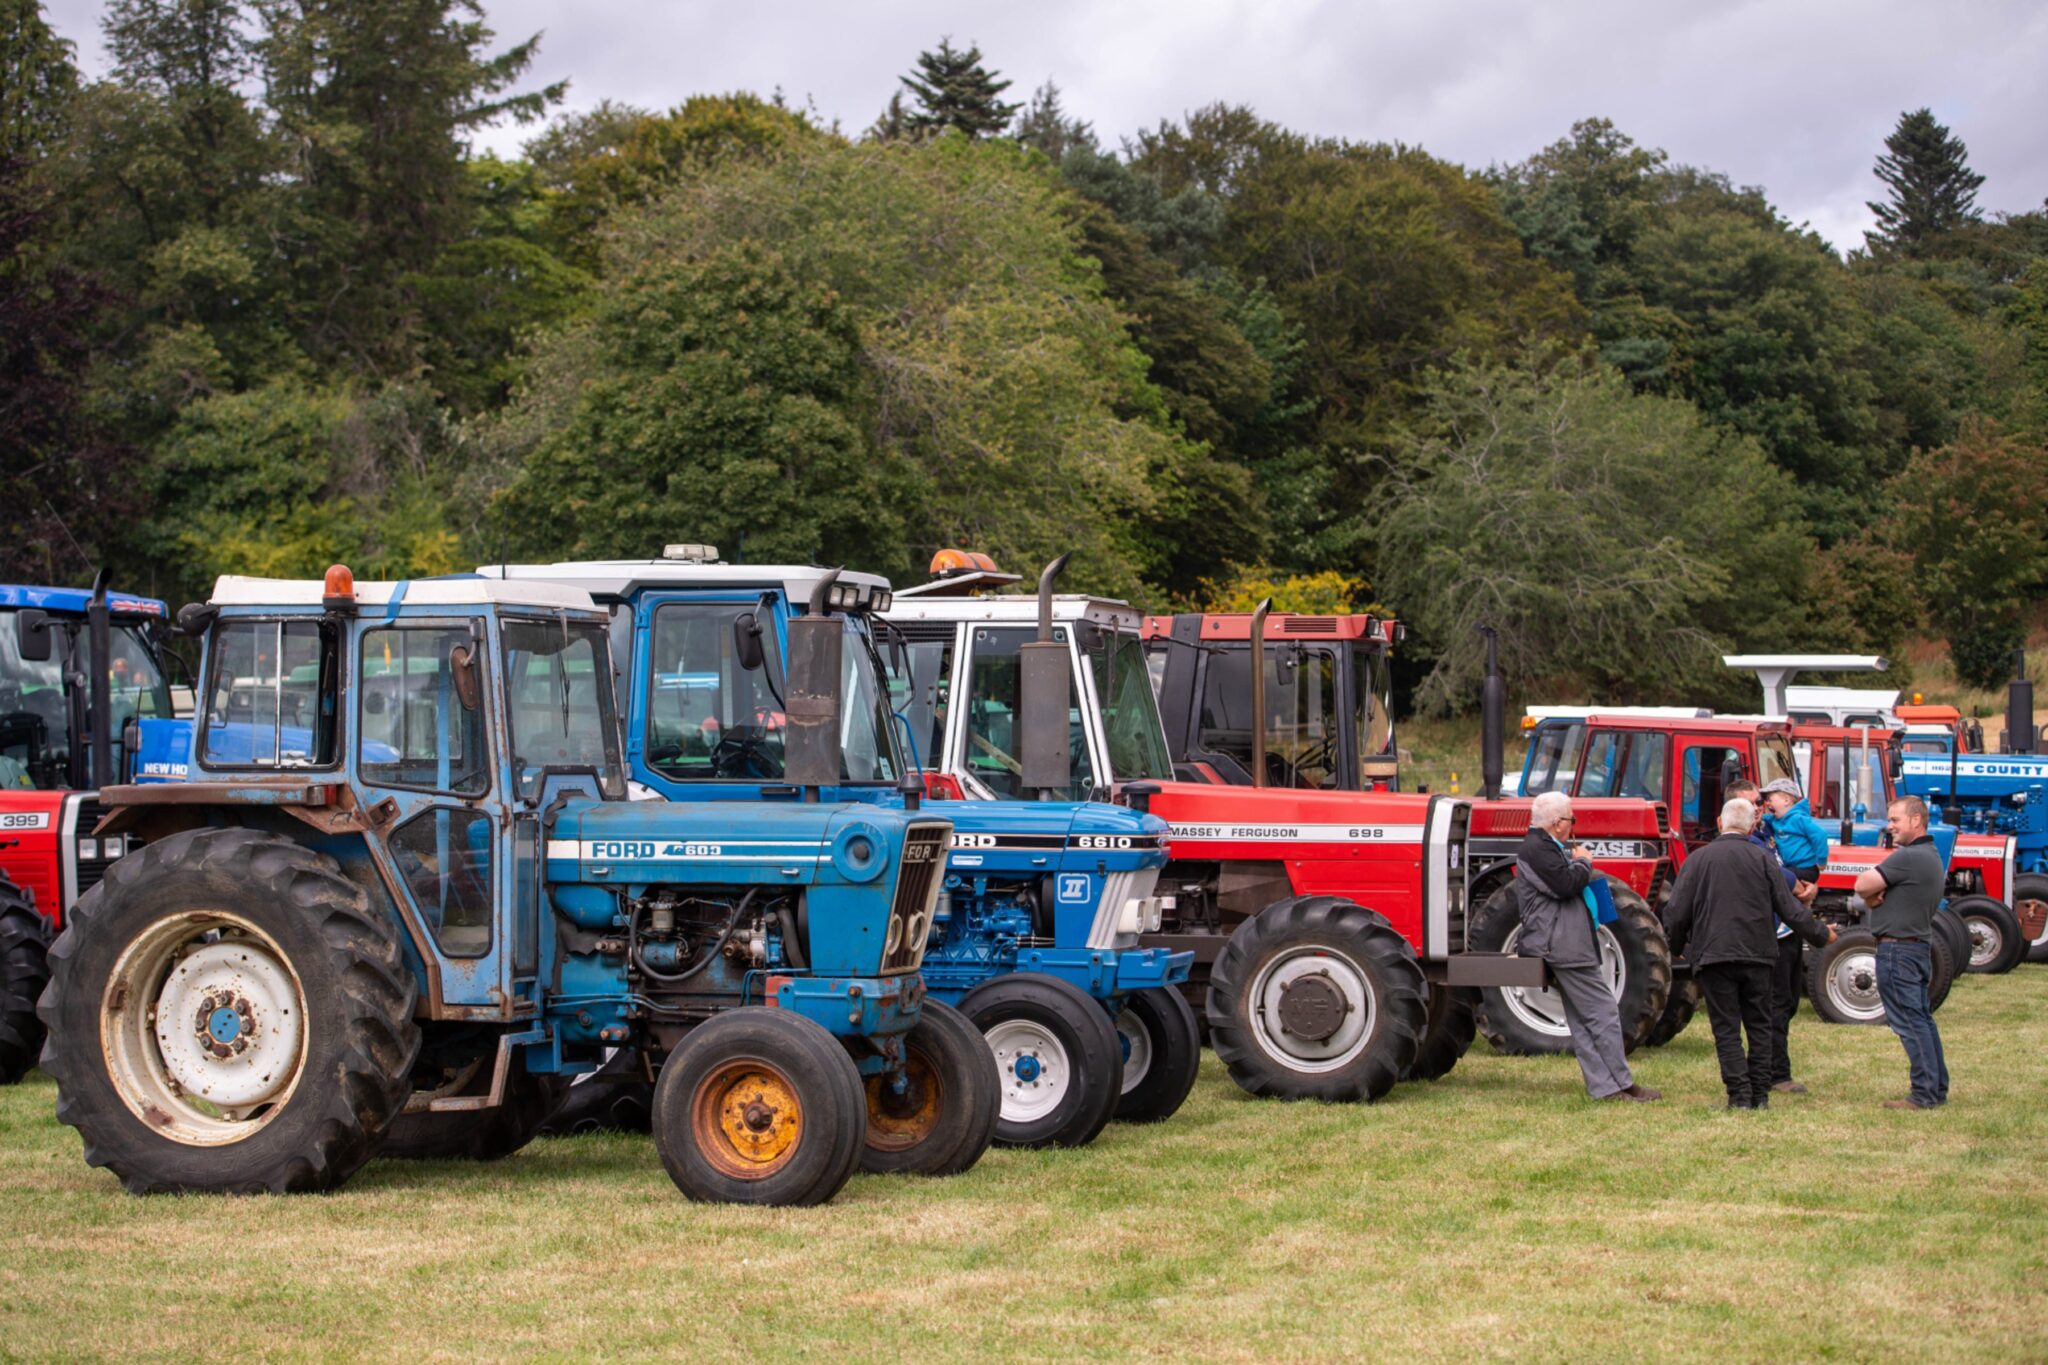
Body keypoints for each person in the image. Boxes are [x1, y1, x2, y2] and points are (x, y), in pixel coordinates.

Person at [1661, 798, 1835, 1109]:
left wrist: (1675, 949)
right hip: (1759, 955)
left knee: (1726, 1029)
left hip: (1715, 955)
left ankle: (1739, 1096)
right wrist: (1822, 934)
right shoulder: (1764, 859)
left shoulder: (1698, 860)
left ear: (1720, 823)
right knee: (1759, 1026)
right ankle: (1760, 1096)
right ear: (1753, 826)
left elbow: (1675, 912)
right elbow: (1790, 908)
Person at [1515, 790, 1661, 1103]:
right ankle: (1620, 1084)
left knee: (1583, 1020)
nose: (1573, 825)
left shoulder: (1540, 847)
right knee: (1604, 1012)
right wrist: (1583, 861)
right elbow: (1566, 885)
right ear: (1557, 823)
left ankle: (1607, 1088)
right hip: (1563, 945)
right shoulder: (1538, 848)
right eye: (1572, 819)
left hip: (1563, 942)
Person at [1854, 797, 1949, 1110]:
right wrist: (1875, 896)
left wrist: (1871, 895)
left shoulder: (1908, 856)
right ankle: (1935, 1088)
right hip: (1915, 947)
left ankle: (1923, 1094)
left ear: (1916, 820)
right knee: (1921, 1020)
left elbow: (1862, 884)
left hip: (1898, 951)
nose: (1889, 826)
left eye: (1895, 820)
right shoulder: (1930, 854)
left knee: (1910, 1023)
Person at [1729, 779, 1822, 1095]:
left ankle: (1772, 1069)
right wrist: (1799, 885)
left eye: (1760, 802)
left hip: (1787, 928)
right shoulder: (1745, 842)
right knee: (1774, 1005)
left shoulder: (1768, 833)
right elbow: (1776, 873)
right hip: (1769, 933)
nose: (1759, 808)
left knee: (1788, 1001)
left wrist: (1809, 882)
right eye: (1751, 803)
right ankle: (1775, 1074)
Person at [1758, 778, 1829, 882]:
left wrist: (1822, 861)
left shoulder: (1799, 819)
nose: (1767, 803)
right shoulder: (1775, 819)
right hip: (1791, 866)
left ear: (1786, 801)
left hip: (1806, 868)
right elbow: (1763, 818)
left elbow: (1820, 834)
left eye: (1769, 799)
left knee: (1776, 875)